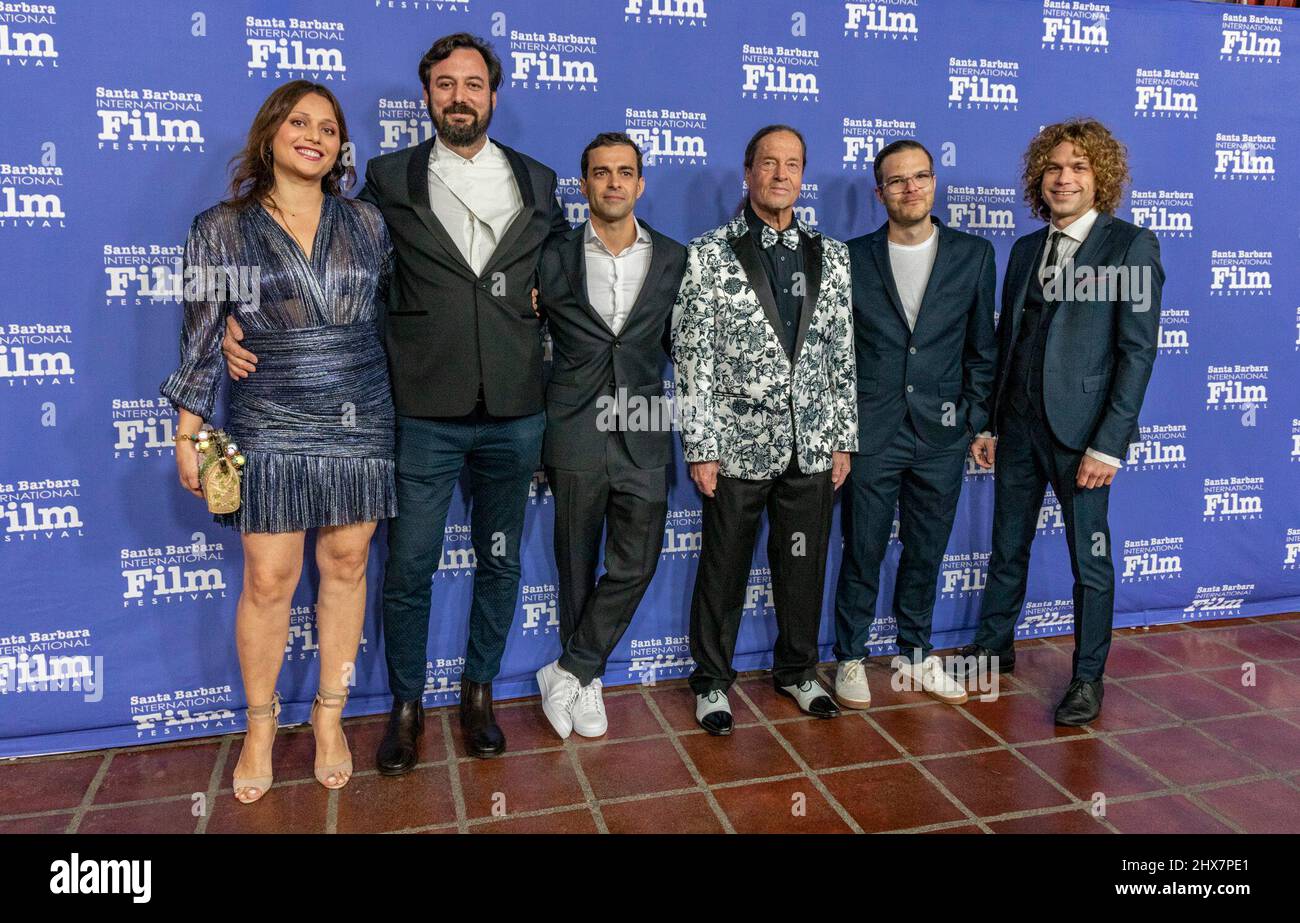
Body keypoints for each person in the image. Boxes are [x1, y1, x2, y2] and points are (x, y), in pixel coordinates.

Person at [223, 33, 569, 767]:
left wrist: (551, 292)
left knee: (500, 561)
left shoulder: (539, 180)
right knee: (407, 567)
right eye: (445, 84)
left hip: (516, 405)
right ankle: (405, 706)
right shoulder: (385, 180)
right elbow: (336, 268)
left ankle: (479, 691)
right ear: (427, 97)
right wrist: (239, 316)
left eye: (474, 84)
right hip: (420, 407)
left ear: (493, 95)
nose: (460, 97)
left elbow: (566, 262)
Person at [162, 81, 396, 803]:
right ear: (270, 135)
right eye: (300, 122)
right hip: (270, 409)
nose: (315, 136)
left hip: (361, 407)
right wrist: (188, 429)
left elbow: (403, 316)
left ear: (340, 147)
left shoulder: (367, 223)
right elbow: (204, 332)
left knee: (349, 559)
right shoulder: (222, 226)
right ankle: (260, 726)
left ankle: (330, 718)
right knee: (269, 576)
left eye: (328, 128)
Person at [962, 118, 1163, 726]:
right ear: (1038, 179)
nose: (1064, 177)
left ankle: (1087, 678)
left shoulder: (1130, 246)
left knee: (1089, 561)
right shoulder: (1025, 250)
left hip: (1083, 439)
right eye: (1053, 167)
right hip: (1018, 429)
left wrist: (1110, 444)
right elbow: (1006, 342)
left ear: (1100, 177)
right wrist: (990, 424)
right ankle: (993, 650)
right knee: (1006, 549)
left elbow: (1137, 352)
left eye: (1078, 166)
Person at [672, 124, 857, 735]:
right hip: (734, 445)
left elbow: (839, 353)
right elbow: (692, 357)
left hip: (811, 443)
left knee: (802, 564)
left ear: (804, 176)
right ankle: (711, 682)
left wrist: (841, 437)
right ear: (748, 171)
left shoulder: (832, 254)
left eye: (793, 164)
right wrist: (701, 445)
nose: (781, 174)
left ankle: (799, 670)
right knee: (723, 566)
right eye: (769, 163)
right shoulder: (708, 252)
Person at [532, 132, 687, 739]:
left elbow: (692, 347)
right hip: (573, 425)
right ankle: (588, 684)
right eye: (601, 173)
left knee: (636, 559)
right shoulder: (552, 257)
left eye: (625, 172)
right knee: (576, 561)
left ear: (640, 183)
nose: (614, 182)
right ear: (584, 184)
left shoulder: (675, 258)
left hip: (646, 425)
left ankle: (570, 668)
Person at [832, 140, 997, 708]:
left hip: (941, 433)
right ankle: (850, 655)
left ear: (934, 182)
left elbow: (982, 349)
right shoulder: (849, 257)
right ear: (880, 192)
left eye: (920, 176)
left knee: (927, 549)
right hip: (870, 432)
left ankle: (915, 654)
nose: (911, 188)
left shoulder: (974, 255)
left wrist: (975, 422)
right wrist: (840, 432)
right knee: (864, 548)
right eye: (897, 180)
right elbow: (836, 351)